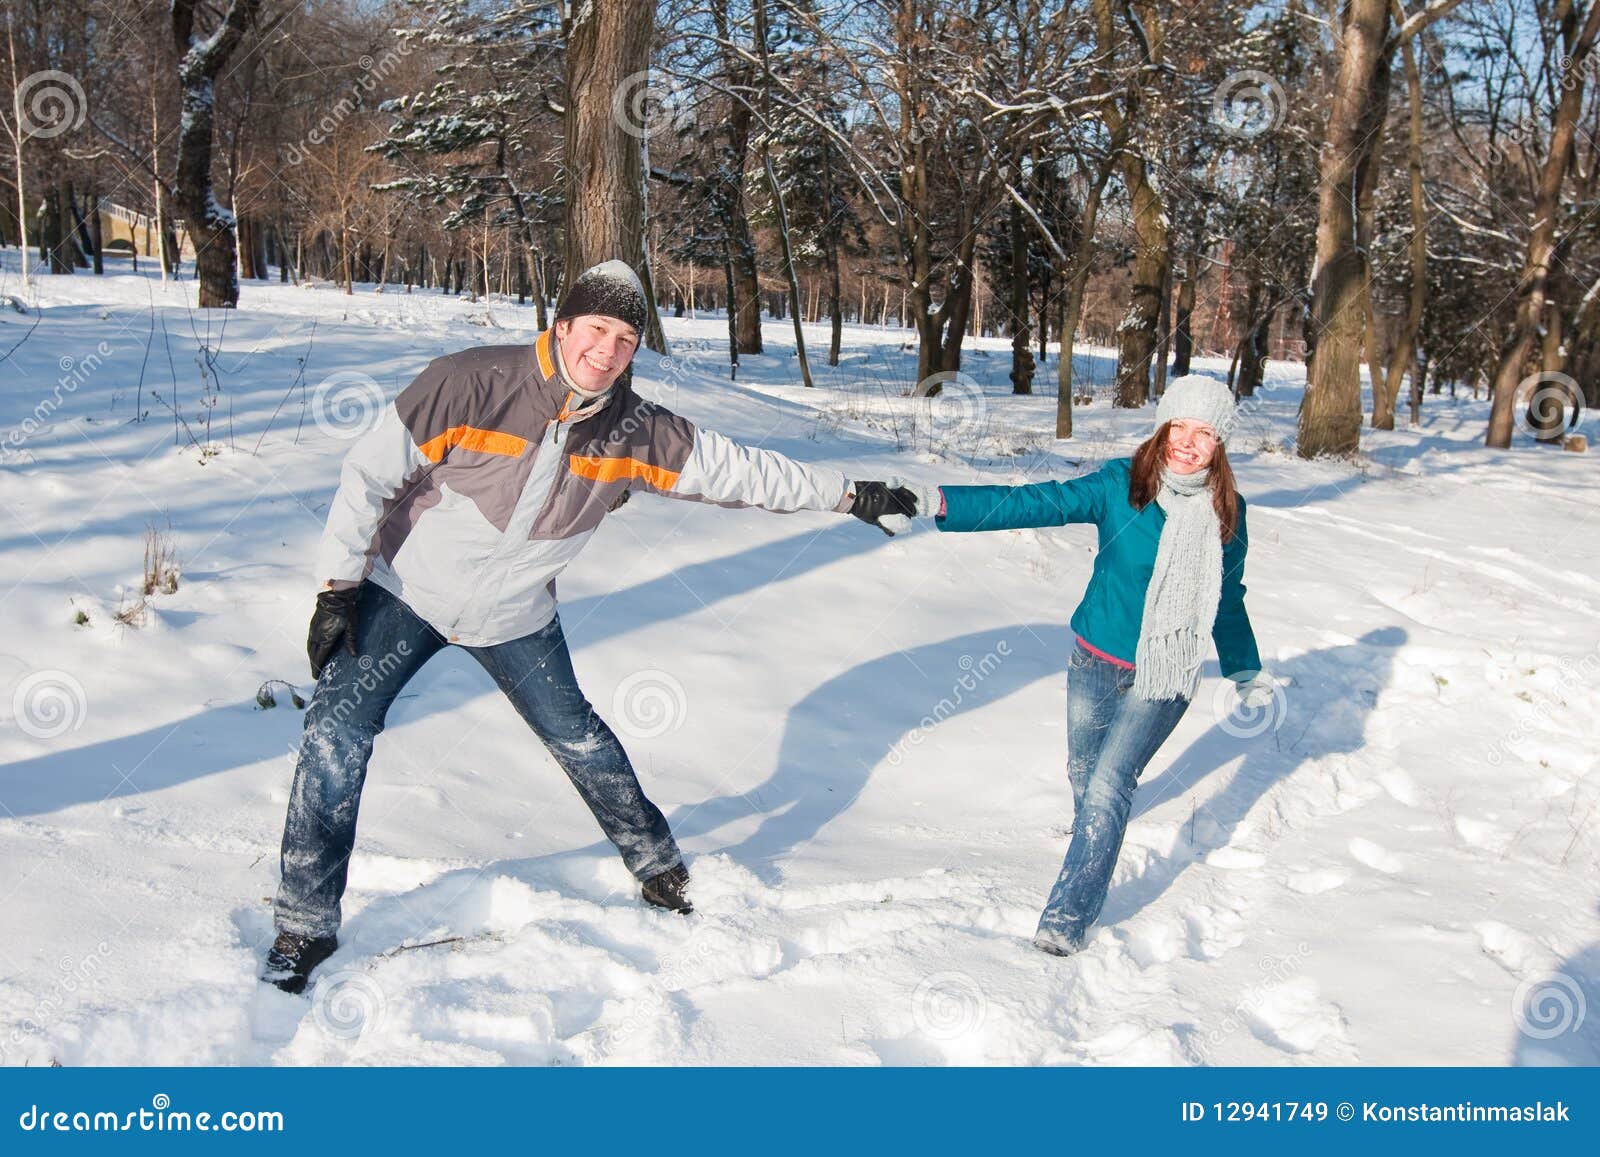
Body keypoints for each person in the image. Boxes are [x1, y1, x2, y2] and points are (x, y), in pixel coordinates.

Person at [264, 259, 916, 993]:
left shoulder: (636, 431)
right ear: (563, 325)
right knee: (335, 732)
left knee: (580, 739)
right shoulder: (469, 381)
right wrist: (337, 589)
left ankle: (659, 866)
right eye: (596, 330)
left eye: (625, 339)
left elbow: (743, 471)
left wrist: (851, 494)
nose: (606, 351)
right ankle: (304, 925)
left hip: (515, 614)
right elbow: (367, 475)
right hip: (405, 591)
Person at [889, 375, 1279, 957]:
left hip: (1164, 674)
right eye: (1179, 426)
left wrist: (1246, 672)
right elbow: (1038, 502)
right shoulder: (1123, 485)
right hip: (1094, 657)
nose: (1187, 442)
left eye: (1204, 433)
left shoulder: (1228, 511)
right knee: (1082, 774)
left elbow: (1227, 597)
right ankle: (1091, 846)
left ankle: (1066, 920)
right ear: (1162, 428)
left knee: (1107, 787)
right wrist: (940, 502)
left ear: (1219, 443)